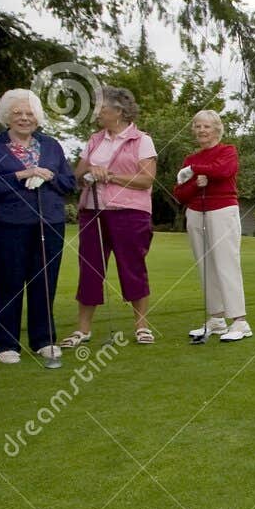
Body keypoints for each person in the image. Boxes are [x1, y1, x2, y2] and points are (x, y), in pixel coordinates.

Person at [0, 89, 77, 364]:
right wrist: (22, 174)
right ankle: (7, 343)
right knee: (8, 281)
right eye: (17, 113)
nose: (24, 118)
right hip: (5, 224)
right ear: (6, 116)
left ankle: (44, 339)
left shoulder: (51, 145)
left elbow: (69, 183)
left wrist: (49, 175)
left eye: (29, 113)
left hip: (49, 222)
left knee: (44, 281)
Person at [64, 86, 159, 345]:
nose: (97, 114)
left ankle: (141, 325)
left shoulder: (141, 140)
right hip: (93, 211)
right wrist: (91, 170)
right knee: (90, 268)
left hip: (130, 213)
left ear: (118, 111)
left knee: (132, 267)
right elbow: (78, 177)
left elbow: (146, 178)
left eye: (101, 109)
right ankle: (83, 329)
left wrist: (111, 176)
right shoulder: (95, 140)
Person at [175, 110, 252, 342]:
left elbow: (223, 170)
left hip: (222, 211)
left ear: (217, 129)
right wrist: (197, 184)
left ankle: (240, 321)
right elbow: (180, 193)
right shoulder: (191, 159)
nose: (201, 130)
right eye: (197, 126)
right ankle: (216, 319)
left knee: (226, 264)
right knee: (206, 266)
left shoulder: (227, 151)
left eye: (206, 126)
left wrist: (197, 172)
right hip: (196, 213)